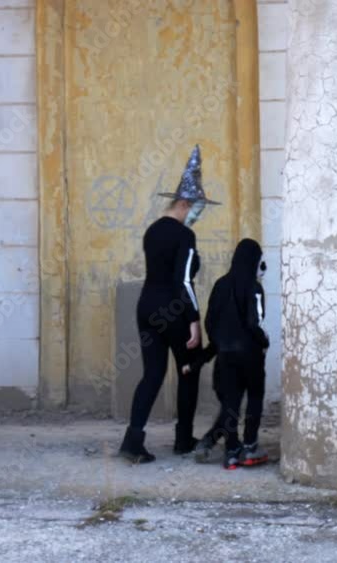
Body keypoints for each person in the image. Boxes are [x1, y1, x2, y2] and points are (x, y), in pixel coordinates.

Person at [119, 145, 220, 464]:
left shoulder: (152, 231)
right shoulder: (184, 236)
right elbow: (183, 281)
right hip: (174, 312)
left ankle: (133, 441)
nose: (198, 215)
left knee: (152, 374)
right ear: (185, 203)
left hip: (146, 307)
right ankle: (183, 438)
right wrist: (194, 319)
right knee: (188, 371)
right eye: (198, 208)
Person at [187, 239, 270, 469]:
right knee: (255, 397)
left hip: (225, 356)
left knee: (230, 403)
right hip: (251, 355)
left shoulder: (220, 285)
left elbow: (210, 321)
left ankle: (231, 450)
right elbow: (255, 323)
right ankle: (250, 446)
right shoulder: (254, 287)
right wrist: (264, 342)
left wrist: (221, 342)